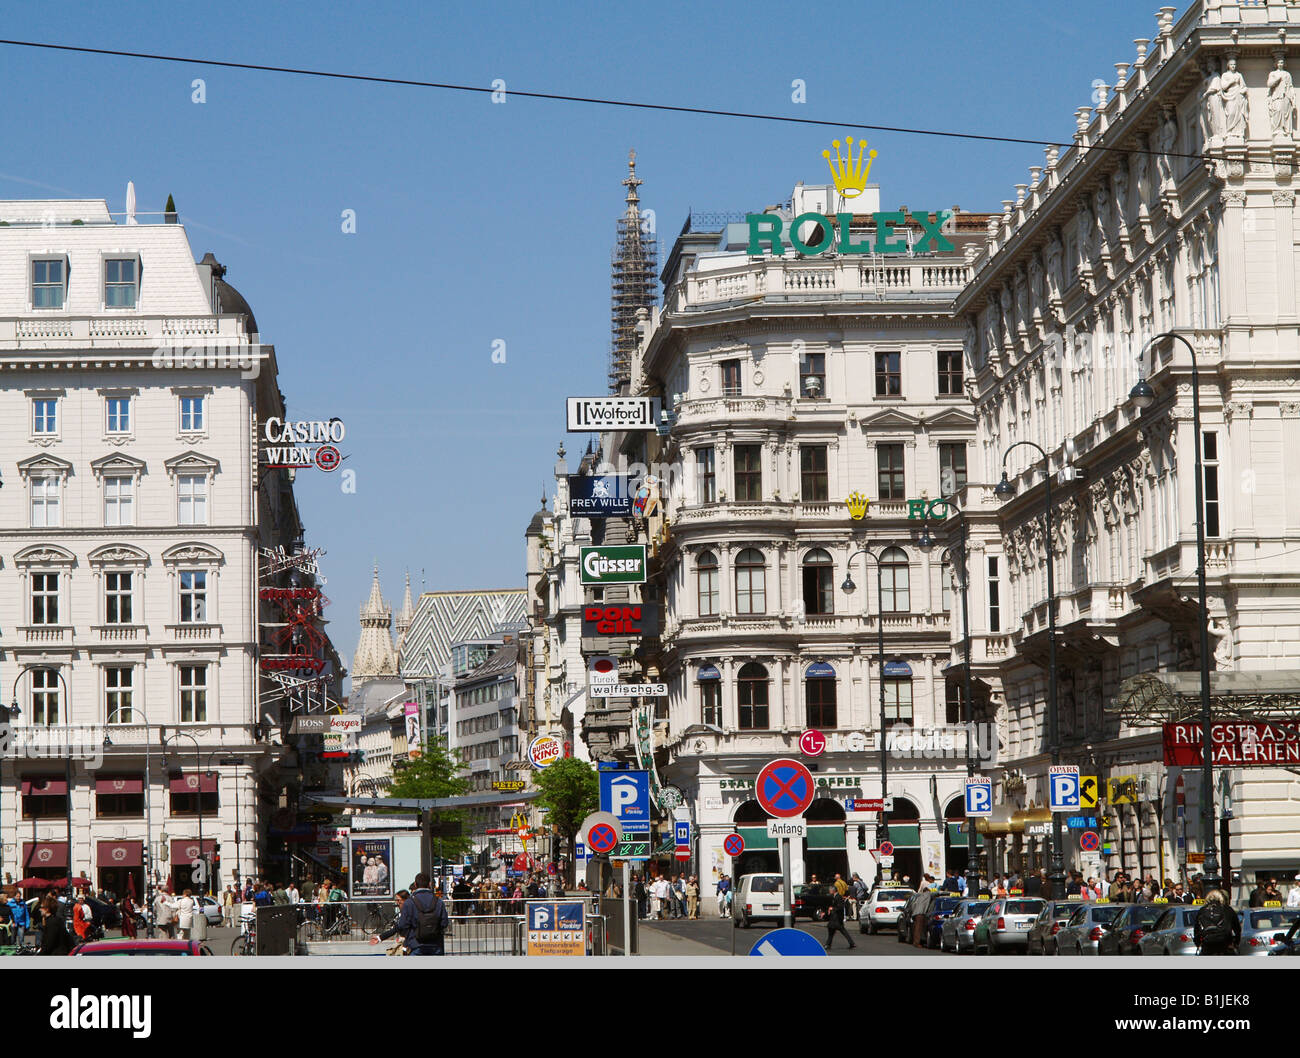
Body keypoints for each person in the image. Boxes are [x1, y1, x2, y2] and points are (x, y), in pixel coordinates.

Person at [370, 874, 449, 955]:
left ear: (415, 884)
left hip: (416, 944)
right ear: (429, 884)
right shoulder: (439, 902)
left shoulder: (410, 902)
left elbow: (402, 924)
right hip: (436, 945)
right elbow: (444, 923)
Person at [1194, 889, 1241, 955]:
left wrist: (1198, 943)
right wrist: (1236, 943)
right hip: (1224, 944)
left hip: (1207, 944)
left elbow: (1196, 929)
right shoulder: (1227, 909)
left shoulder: (1202, 910)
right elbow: (1237, 928)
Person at [825, 887, 856, 951]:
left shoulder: (838, 897)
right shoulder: (835, 897)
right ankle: (828, 944)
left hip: (837, 919)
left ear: (833, 891)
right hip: (835, 919)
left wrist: (832, 909)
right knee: (832, 931)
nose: (829, 891)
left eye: (830, 890)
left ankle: (828, 944)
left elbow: (840, 907)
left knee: (836, 930)